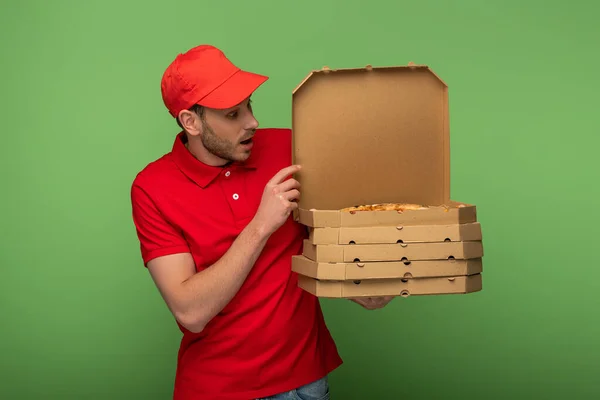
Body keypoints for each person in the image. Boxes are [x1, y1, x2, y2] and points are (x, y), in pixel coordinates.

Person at [130, 44, 394, 400]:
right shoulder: (153, 188)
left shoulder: (289, 148)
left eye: (249, 105)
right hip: (219, 390)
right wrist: (260, 225)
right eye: (233, 114)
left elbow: (331, 237)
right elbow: (191, 311)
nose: (252, 121)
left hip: (307, 383)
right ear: (190, 121)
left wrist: (365, 285)